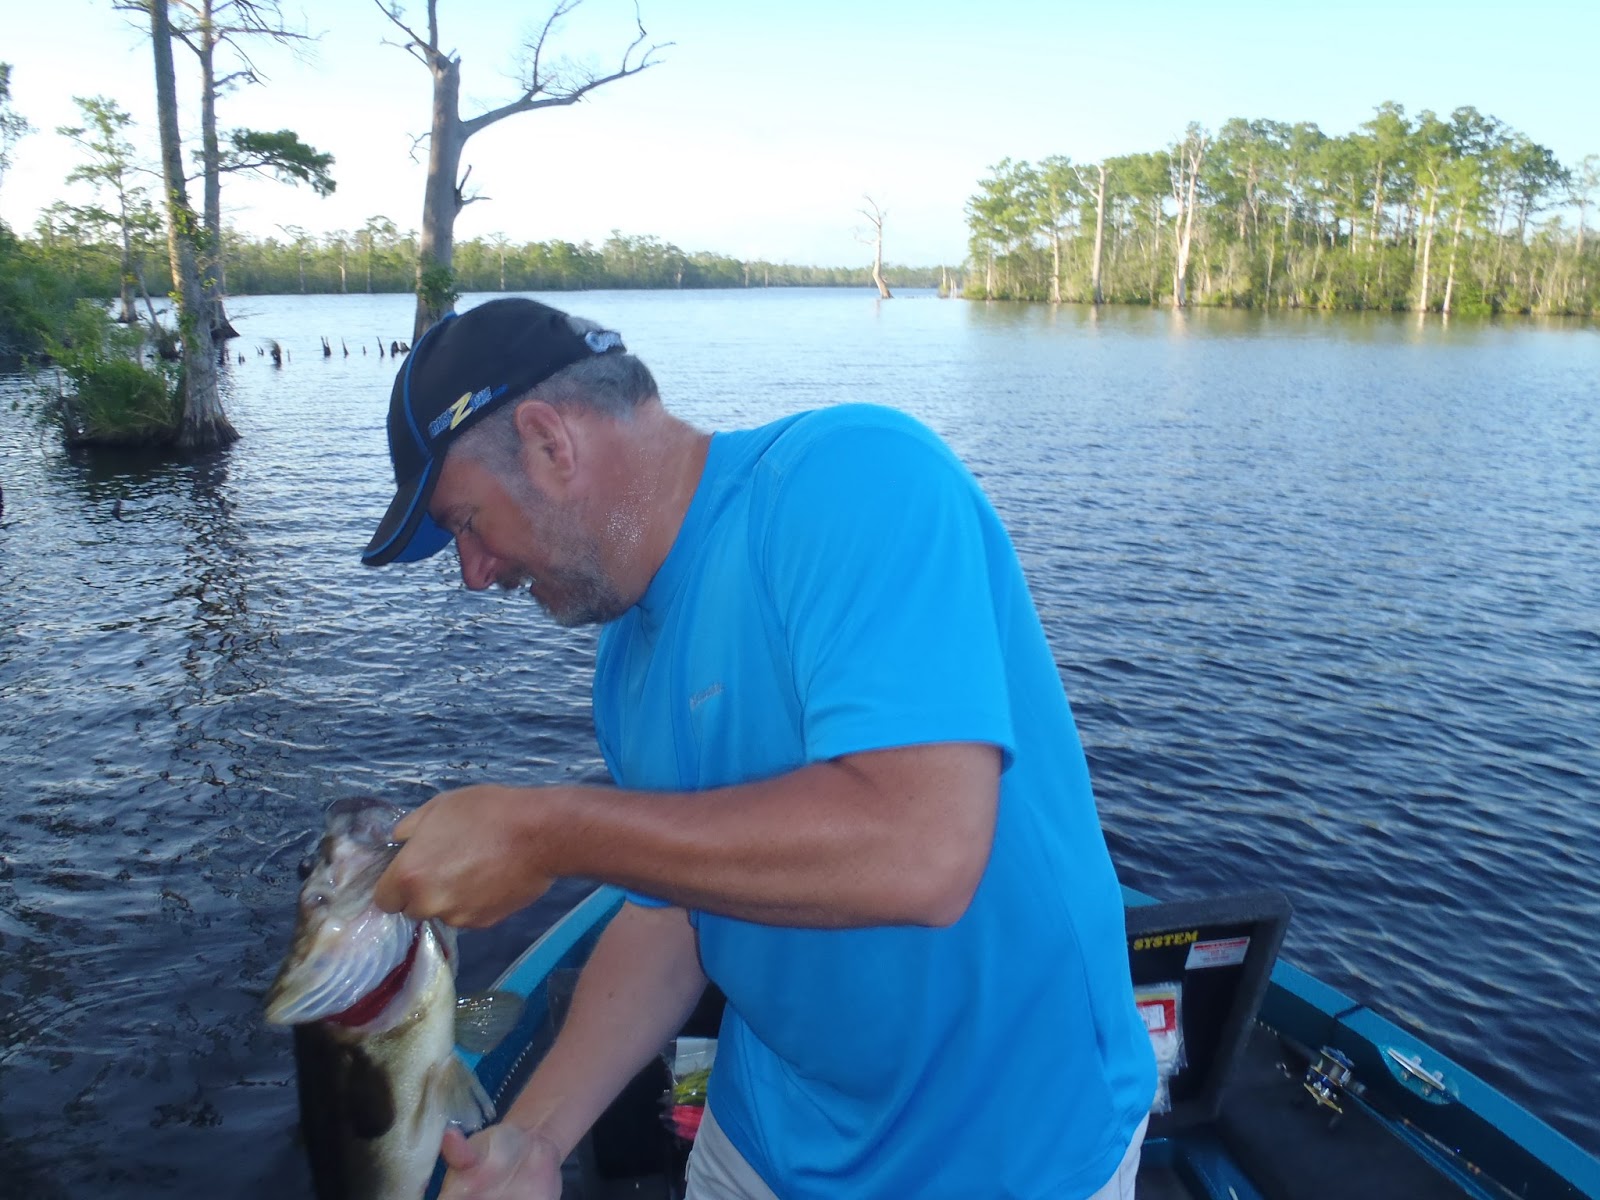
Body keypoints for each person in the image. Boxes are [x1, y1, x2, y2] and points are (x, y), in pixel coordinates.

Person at [364, 297, 1158, 1199]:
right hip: (767, 1139)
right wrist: (538, 1137)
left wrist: (548, 832)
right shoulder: (624, 667)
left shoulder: (852, 479)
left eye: (465, 523)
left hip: (1015, 1153)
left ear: (550, 443)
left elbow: (922, 852)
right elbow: (672, 915)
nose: (475, 574)